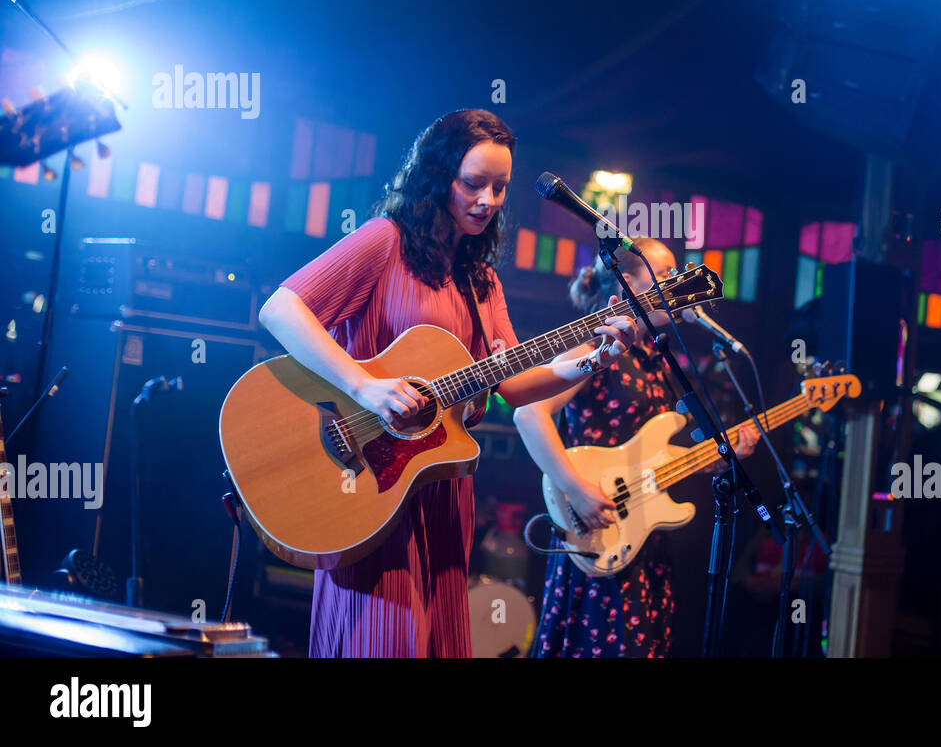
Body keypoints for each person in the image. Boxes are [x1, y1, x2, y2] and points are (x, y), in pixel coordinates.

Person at [257, 109, 639, 657]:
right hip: (369, 478)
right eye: (473, 183)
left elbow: (513, 385)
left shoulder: (481, 280)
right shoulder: (384, 242)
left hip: (439, 491)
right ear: (438, 177)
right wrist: (365, 388)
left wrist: (595, 359)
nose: (488, 200)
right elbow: (280, 308)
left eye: (500, 188)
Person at [513, 238, 758, 657]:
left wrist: (715, 459)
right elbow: (528, 415)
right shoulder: (595, 345)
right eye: (664, 275)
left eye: (676, 274)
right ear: (626, 283)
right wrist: (575, 488)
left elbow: (649, 459)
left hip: (643, 541)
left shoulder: (656, 359)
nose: (675, 282)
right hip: (597, 530)